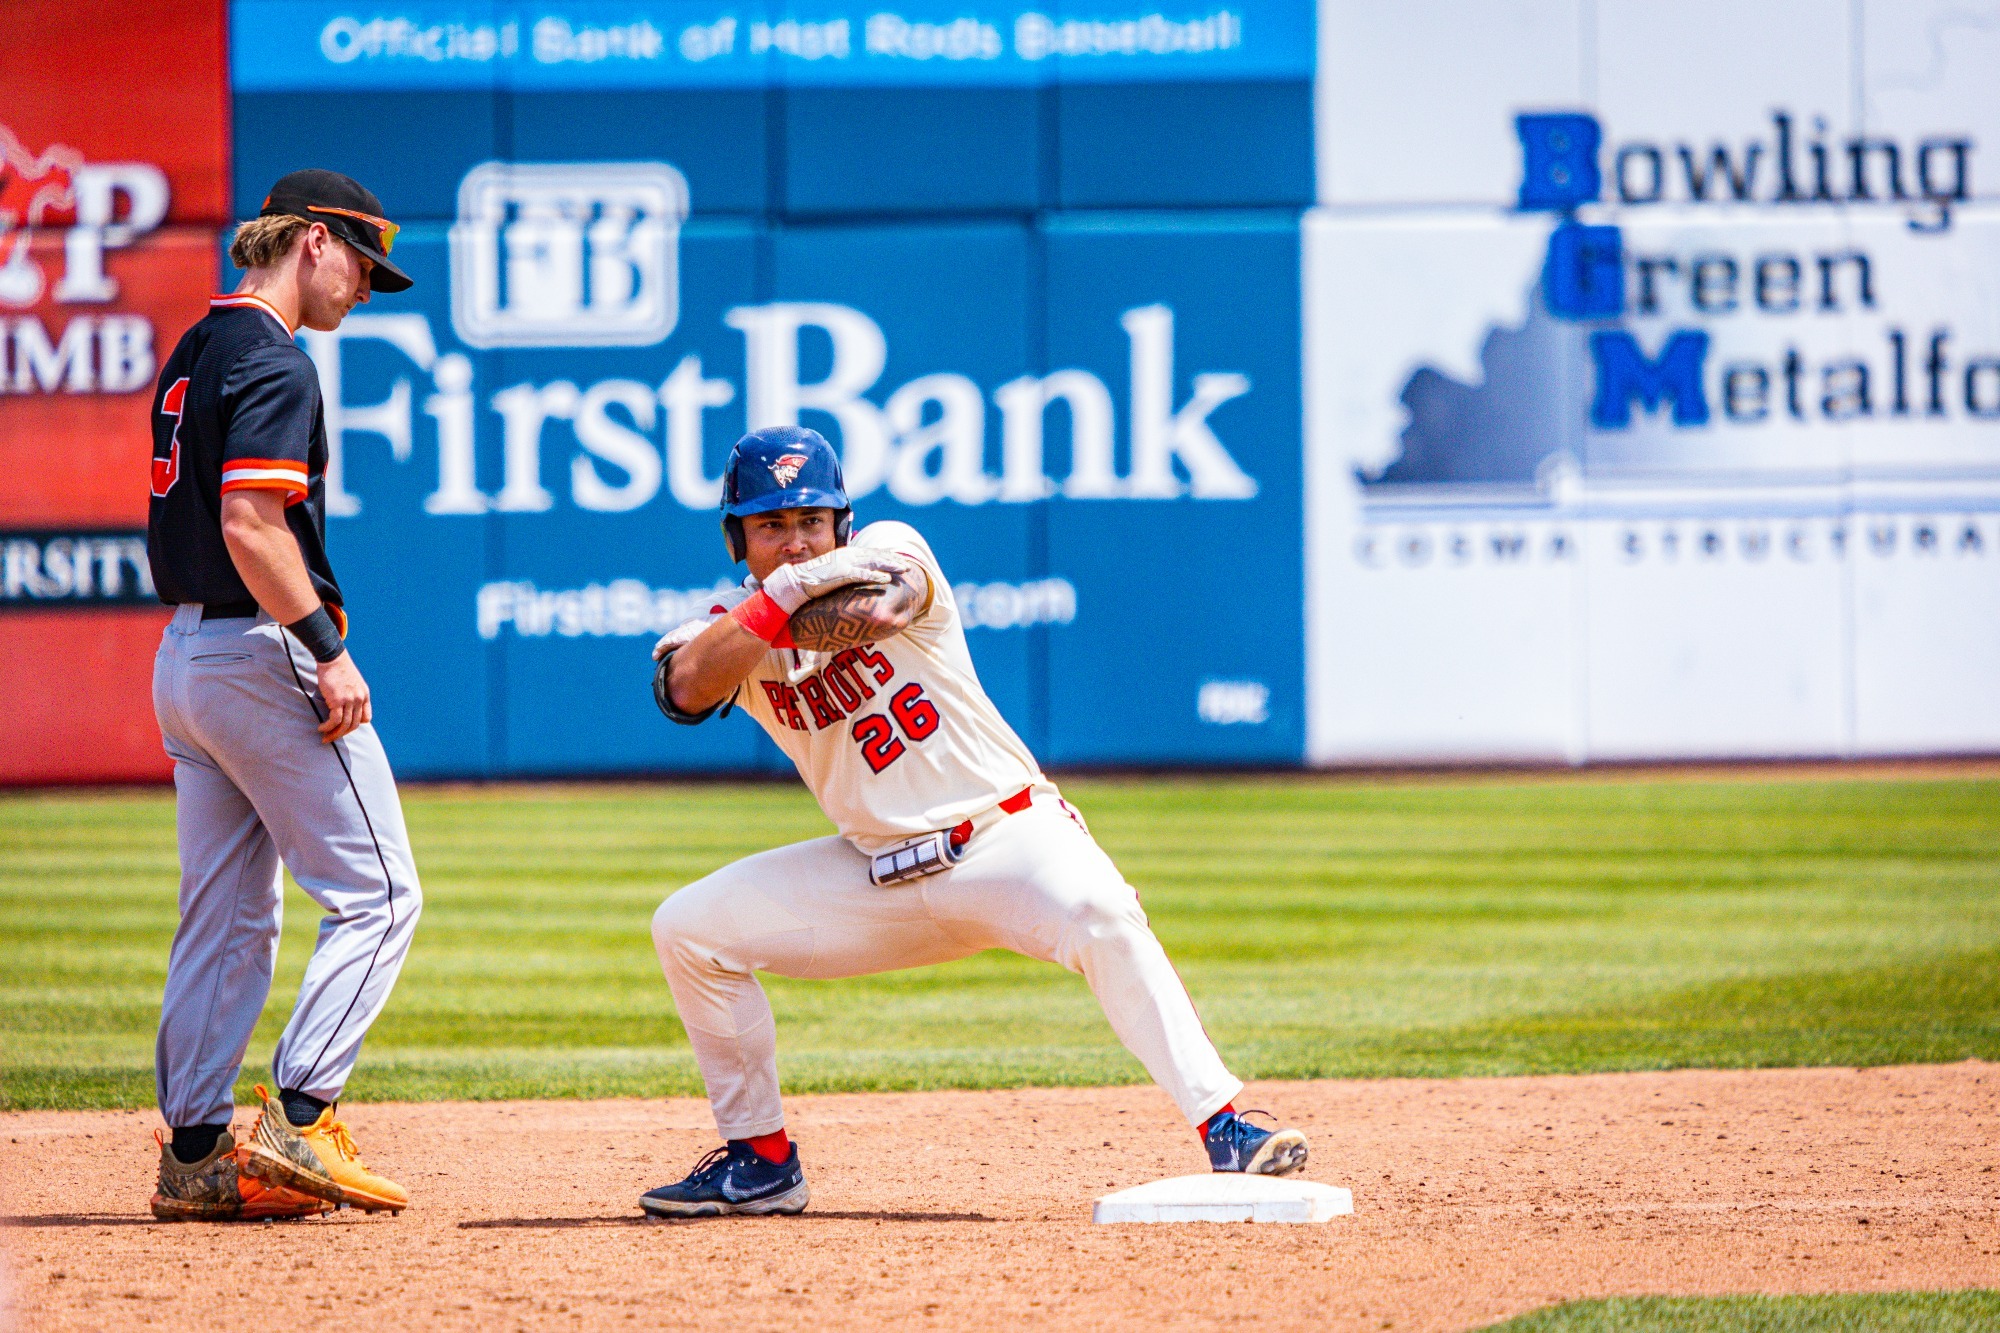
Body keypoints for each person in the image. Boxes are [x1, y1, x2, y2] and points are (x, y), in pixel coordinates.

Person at [640, 425, 1307, 1218]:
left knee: (1100, 912)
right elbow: (682, 689)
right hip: (873, 873)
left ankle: (1224, 1123)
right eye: (771, 526)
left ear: (842, 524)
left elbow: (880, 611)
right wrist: (767, 608)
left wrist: (760, 613)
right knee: (688, 928)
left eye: (811, 521)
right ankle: (762, 1161)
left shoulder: (892, 546)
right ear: (736, 537)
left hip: (1005, 840)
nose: (795, 543)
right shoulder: (734, 624)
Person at [144, 169, 421, 1221]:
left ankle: (198, 1151)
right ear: (311, 241)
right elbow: (252, 524)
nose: (363, 288)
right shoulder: (272, 356)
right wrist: (325, 648)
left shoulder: (199, 345)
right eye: (358, 262)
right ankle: (301, 1117)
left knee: (227, 916)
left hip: (186, 661)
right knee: (382, 893)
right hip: (262, 652)